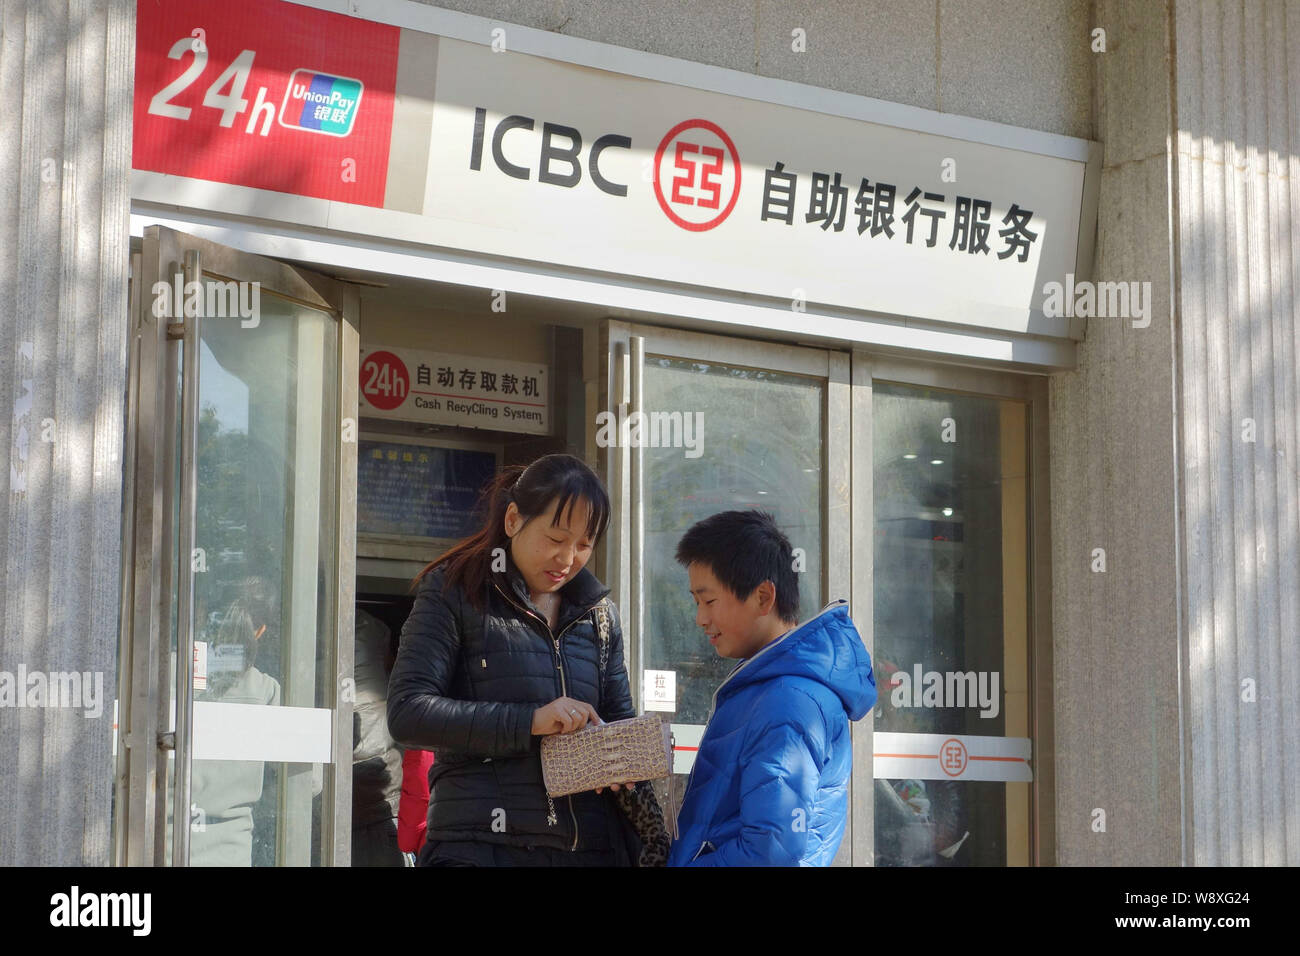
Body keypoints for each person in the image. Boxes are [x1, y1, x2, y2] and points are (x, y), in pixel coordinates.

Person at [386, 453, 645, 866]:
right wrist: (530, 721)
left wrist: (630, 756)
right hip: (479, 847)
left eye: (584, 544)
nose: (568, 559)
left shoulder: (599, 615)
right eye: (556, 539)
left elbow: (618, 722)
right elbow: (408, 713)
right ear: (512, 521)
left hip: (588, 851)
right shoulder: (454, 591)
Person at [666, 510, 876, 866]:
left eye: (709, 600)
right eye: (696, 601)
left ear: (763, 597)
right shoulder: (771, 688)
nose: (700, 618)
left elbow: (771, 853)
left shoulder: (787, 703)